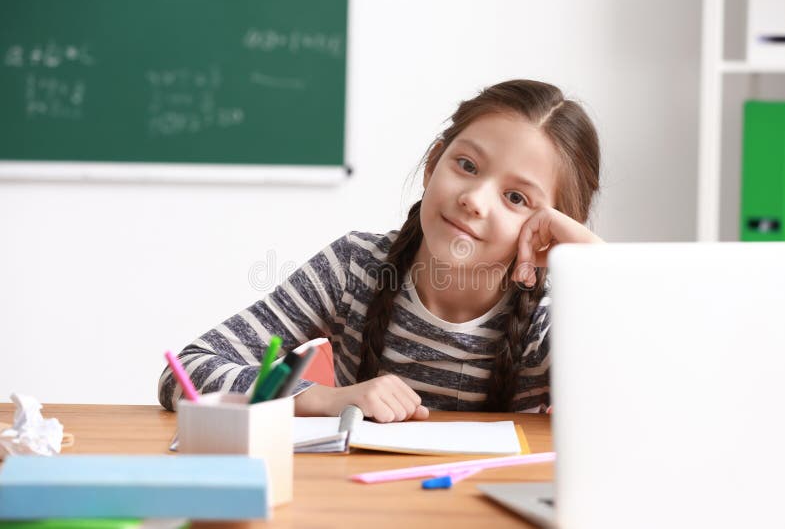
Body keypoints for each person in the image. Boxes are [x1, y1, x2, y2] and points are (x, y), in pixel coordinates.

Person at [158, 79, 602, 422]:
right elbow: (185, 373)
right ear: (433, 166)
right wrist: (327, 399)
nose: (474, 199)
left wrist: (602, 270)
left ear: (548, 230)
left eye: (516, 198)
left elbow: (652, 415)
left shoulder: (558, 313)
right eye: (466, 166)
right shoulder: (355, 267)